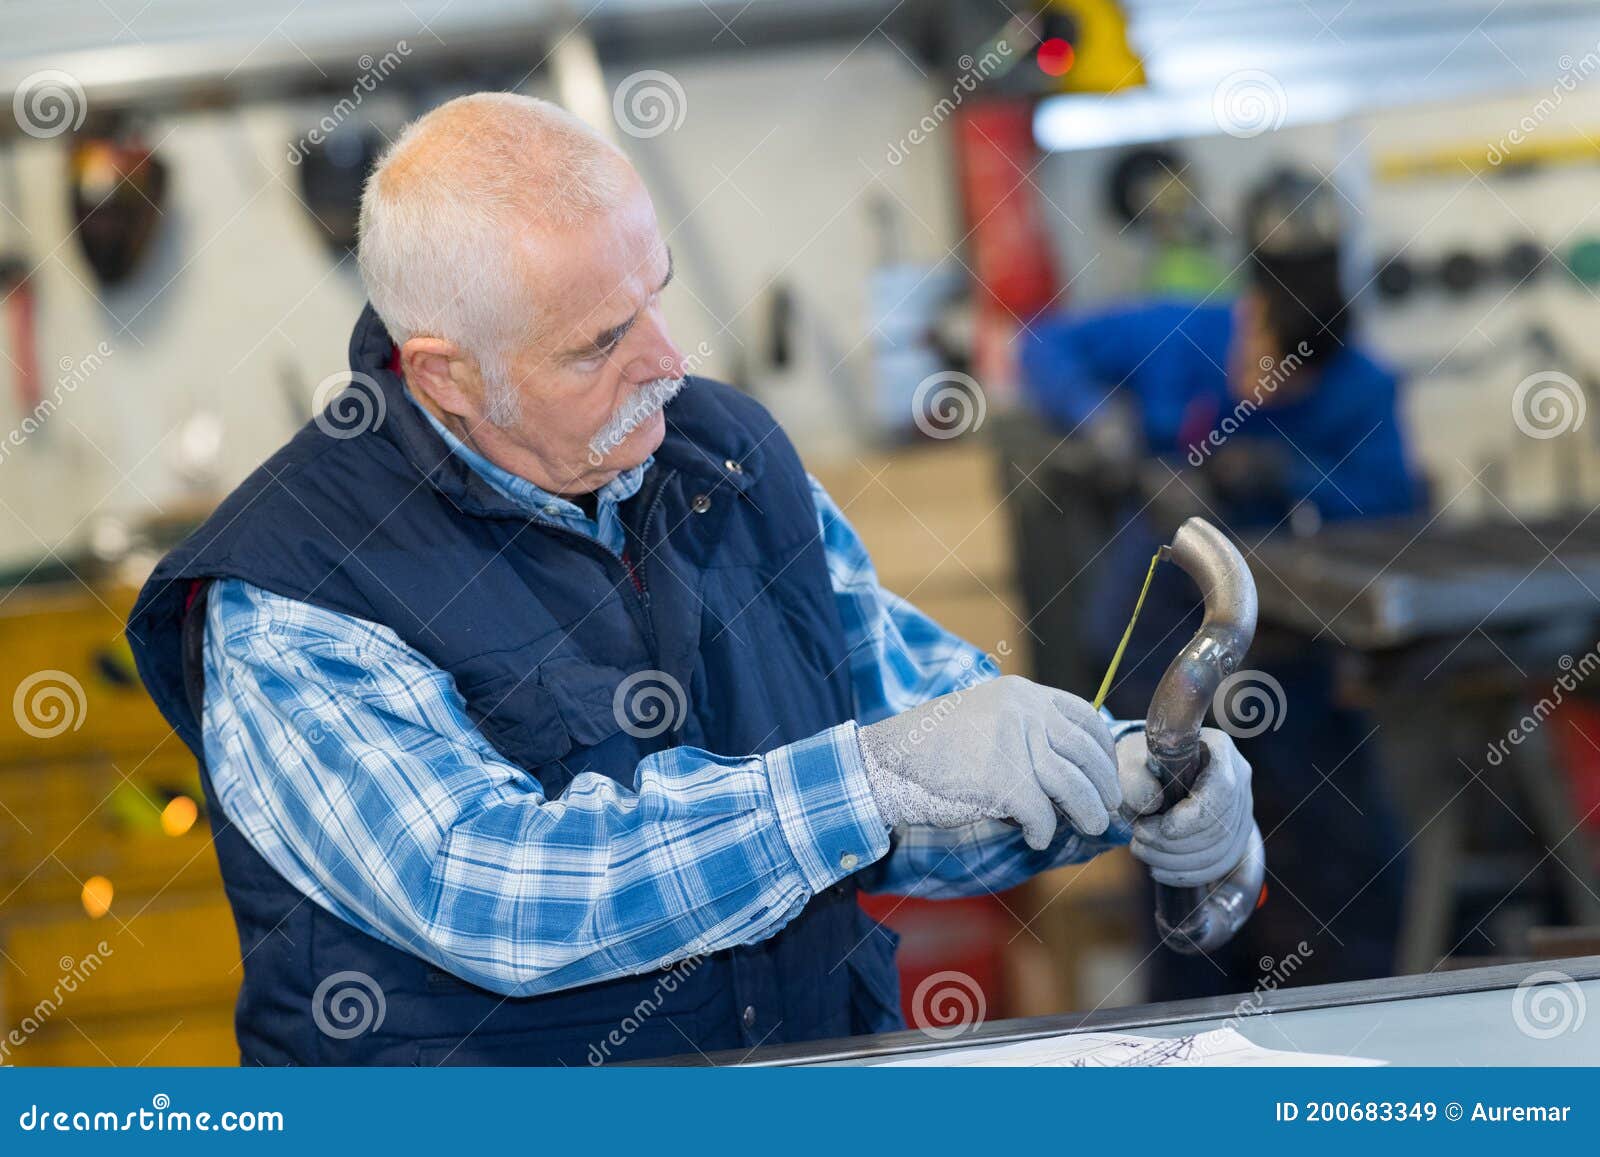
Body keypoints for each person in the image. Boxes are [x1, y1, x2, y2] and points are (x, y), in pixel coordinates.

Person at [127, 93, 1260, 1066]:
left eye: (655, 296)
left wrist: (1119, 776)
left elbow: (921, 729)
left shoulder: (723, 459)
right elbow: (498, 893)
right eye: (596, 343)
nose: (666, 363)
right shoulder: (292, 593)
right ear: (447, 374)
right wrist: (866, 780)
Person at [1019, 168, 1419, 1000]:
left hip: (1296, 663)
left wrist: (1288, 472)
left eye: (1291, 386)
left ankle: (1335, 1042)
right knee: (1181, 866)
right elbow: (1041, 345)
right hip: (1165, 653)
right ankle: (1193, 1054)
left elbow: (1391, 505)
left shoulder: (1364, 389)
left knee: (1335, 867)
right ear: (1251, 315)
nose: (1267, 386)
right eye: (1262, 363)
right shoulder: (1183, 336)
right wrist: (1106, 422)